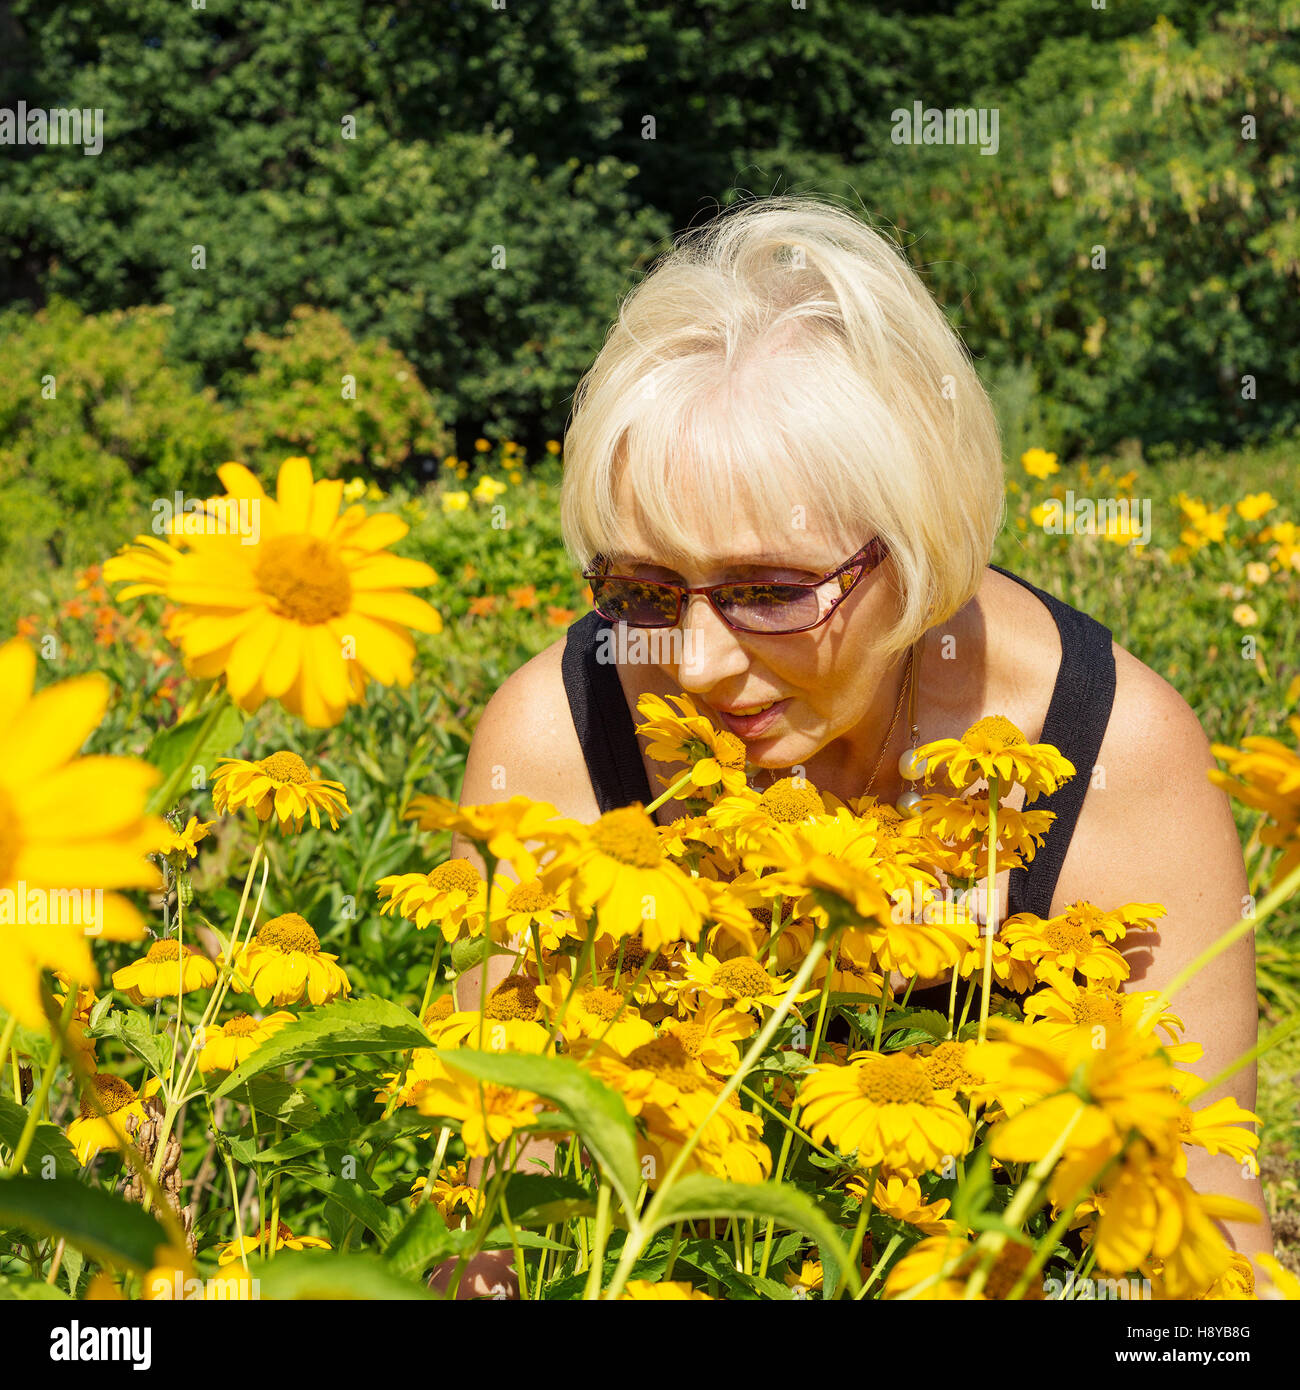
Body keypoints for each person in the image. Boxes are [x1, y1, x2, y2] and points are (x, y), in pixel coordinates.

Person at [440, 194, 1273, 1297]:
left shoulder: (1110, 750)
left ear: (919, 545)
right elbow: (492, 1225)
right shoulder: (559, 738)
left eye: (767, 591)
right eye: (638, 588)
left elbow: (1210, 1253)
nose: (691, 664)